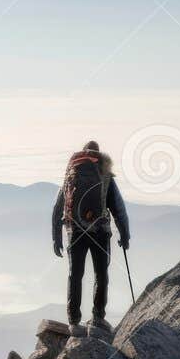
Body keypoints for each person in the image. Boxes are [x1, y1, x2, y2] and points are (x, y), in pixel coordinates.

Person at [52, 140, 130, 332]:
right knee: (101, 274)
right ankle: (97, 318)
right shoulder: (105, 175)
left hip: (75, 231)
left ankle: (73, 322)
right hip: (99, 231)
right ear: (99, 155)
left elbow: (57, 207)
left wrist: (56, 237)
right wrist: (125, 234)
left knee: (75, 275)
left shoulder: (71, 174)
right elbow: (118, 208)